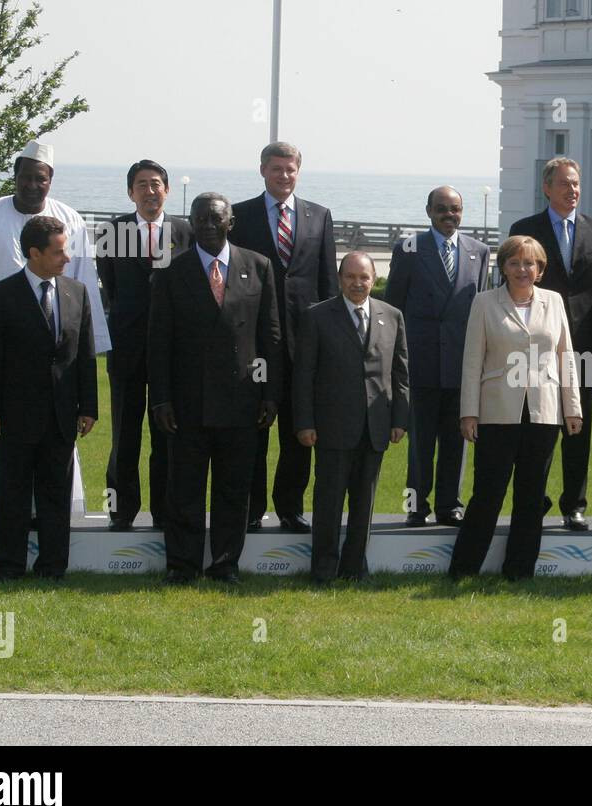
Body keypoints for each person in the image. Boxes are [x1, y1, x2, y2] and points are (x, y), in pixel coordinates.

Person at [0, 141, 110, 527]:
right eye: (25, 177)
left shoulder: (69, 220)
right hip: (4, 352)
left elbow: (83, 287)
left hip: (57, 359)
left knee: (55, 440)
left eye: (39, 179)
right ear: (15, 177)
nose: (32, 185)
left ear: (50, 180)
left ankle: (49, 514)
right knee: (1, 438)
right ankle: (0, 510)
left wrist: (84, 355)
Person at [149, 193, 280, 585]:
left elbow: (270, 336)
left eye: (215, 218)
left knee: (233, 490)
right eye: (199, 218)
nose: (207, 225)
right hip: (188, 404)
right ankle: (182, 565)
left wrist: (270, 394)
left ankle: (224, 564)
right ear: (190, 222)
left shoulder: (259, 267)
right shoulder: (171, 271)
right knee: (184, 490)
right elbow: (159, 342)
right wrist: (161, 397)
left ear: (230, 222)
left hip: (242, 401)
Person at [448, 236, 582, 580]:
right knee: (488, 493)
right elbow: (471, 360)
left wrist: (573, 408)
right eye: (515, 263)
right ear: (503, 267)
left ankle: (520, 570)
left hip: (544, 412)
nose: (523, 269)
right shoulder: (484, 303)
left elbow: (566, 357)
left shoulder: (554, 302)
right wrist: (469, 412)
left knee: (531, 495)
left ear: (540, 269)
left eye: (530, 263)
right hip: (496, 412)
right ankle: (464, 569)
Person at [0, 217, 97, 580]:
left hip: (61, 415)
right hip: (14, 416)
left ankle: (52, 567)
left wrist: (88, 407)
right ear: (34, 253)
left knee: (55, 496)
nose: (66, 257)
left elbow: (85, 355)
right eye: (58, 251)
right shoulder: (0, 295)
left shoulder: (77, 292)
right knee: (12, 495)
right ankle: (9, 566)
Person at [230, 141, 337, 533]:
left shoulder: (319, 216)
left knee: (298, 431)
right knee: (253, 430)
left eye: (290, 169)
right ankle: (252, 509)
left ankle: (290, 508)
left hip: (303, 345)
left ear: (298, 171)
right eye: (276, 169)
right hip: (255, 346)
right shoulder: (239, 216)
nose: (284, 176)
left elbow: (327, 283)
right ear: (262, 171)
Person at [508, 158, 592, 531]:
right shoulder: (525, 230)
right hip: (536, 344)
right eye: (564, 184)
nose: (572, 190)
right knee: (535, 424)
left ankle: (575, 504)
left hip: (584, 347)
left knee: (578, 426)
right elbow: (509, 287)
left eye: (576, 184)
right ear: (546, 188)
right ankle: (533, 499)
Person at [296, 252, 410, 585]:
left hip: (375, 427)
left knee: (365, 503)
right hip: (331, 427)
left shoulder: (393, 316)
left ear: (374, 279)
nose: (357, 283)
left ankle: (354, 567)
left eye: (364, 277)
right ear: (339, 278)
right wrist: (305, 422)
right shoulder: (317, 317)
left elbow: (401, 372)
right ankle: (324, 569)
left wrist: (399, 419)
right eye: (350, 277)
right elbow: (304, 374)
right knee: (329, 502)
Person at [96, 160, 193, 531]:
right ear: (130, 192)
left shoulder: (184, 231)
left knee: (167, 432)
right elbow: (111, 287)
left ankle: (165, 511)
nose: (150, 191)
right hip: (127, 348)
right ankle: (121, 511)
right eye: (142, 185)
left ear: (166, 190)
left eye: (156, 184)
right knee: (125, 433)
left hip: (172, 351)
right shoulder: (112, 232)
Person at [385, 187, 488, 528]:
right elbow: (394, 307)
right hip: (420, 363)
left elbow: (480, 309)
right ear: (428, 210)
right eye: (442, 209)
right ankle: (416, 505)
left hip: (461, 365)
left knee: (457, 441)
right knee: (420, 444)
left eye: (455, 209)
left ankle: (450, 506)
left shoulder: (479, 251)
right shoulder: (409, 249)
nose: (449, 215)